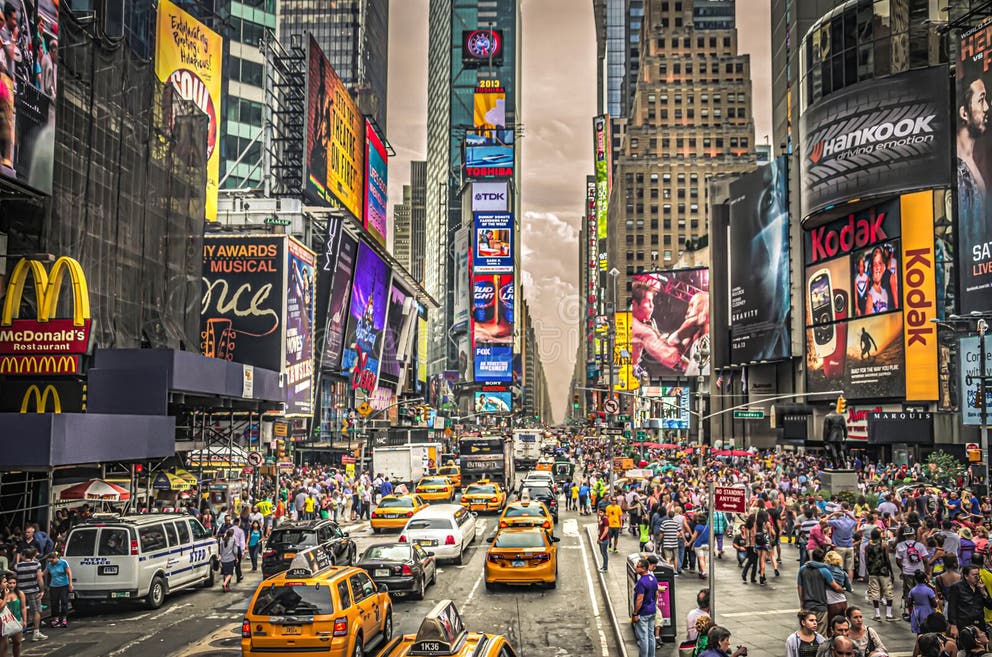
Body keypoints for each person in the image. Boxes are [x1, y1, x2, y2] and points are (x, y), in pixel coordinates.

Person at [799, 547, 845, 630]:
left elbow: (799, 587)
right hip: (821, 605)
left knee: (807, 630)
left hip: (807, 605)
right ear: (823, 558)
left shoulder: (802, 569)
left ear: (812, 557)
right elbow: (835, 586)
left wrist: (802, 603)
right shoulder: (824, 571)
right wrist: (842, 589)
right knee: (821, 632)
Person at [948, 565, 992, 636]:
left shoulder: (981, 587)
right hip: (964, 624)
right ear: (966, 576)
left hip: (979, 624)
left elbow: (990, 606)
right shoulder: (957, 587)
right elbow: (952, 607)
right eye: (974, 575)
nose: (977, 577)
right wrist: (953, 625)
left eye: (978, 575)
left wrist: (984, 593)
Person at [865, 528, 896, 622]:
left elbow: (866, 560)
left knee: (874, 592)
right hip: (884, 571)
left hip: (873, 572)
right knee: (888, 592)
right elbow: (887, 559)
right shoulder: (883, 545)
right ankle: (889, 614)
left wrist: (868, 571)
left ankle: (877, 615)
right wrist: (891, 572)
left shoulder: (867, 546)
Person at [13, 549, 44, 642]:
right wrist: (42, 590)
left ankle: (19, 634)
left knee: (20, 612)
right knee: (36, 611)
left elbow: (15, 578)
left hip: (21, 591)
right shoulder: (36, 565)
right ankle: (36, 633)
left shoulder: (17, 566)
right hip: (33, 590)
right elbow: (39, 578)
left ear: (23, 555)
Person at [632, 558, 658, 657]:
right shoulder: (653, 578)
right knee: (651, 636)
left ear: (643, 568)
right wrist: (653, 604)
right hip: (652, 610)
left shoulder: (641, 582)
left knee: (643, 637)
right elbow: (656, 594)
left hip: (643, 613)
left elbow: (639, 599)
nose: (635, 568)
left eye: (637, 567)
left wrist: (635, 613)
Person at [44, 551, 71, 629]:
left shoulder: (63, 563)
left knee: (64, 601)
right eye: (49, 561)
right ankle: (56, 618)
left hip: (63, 585)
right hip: (54, 585)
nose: (51, 563)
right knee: (54, 602)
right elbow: (44, 573)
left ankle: (64, 618)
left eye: (52, 561)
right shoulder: (49, 565)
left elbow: (69, 573)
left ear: (55, 558)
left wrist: (70, 584)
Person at [2, 572, 25, 657]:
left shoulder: (20, 593)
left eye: (14, 583)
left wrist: (25, 620)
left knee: (17, 643)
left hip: (17, 620)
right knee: (4, 645)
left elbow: (23, 607)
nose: (12, 585)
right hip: (6, 622)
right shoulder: (3, 594)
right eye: (10, 583)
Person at [597, 507, 610, 572]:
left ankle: (605, 568)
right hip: (601, 539)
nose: (600, 513)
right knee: (602, 553)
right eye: (599, 512)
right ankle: (603, 566)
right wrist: (598, 538)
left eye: (601, 512)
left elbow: (606, 530)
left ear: (604, 513)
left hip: (604, 540)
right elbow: (599, 530)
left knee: (604, 554)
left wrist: (601, 538)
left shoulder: (605, 519)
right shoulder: (601, 519)